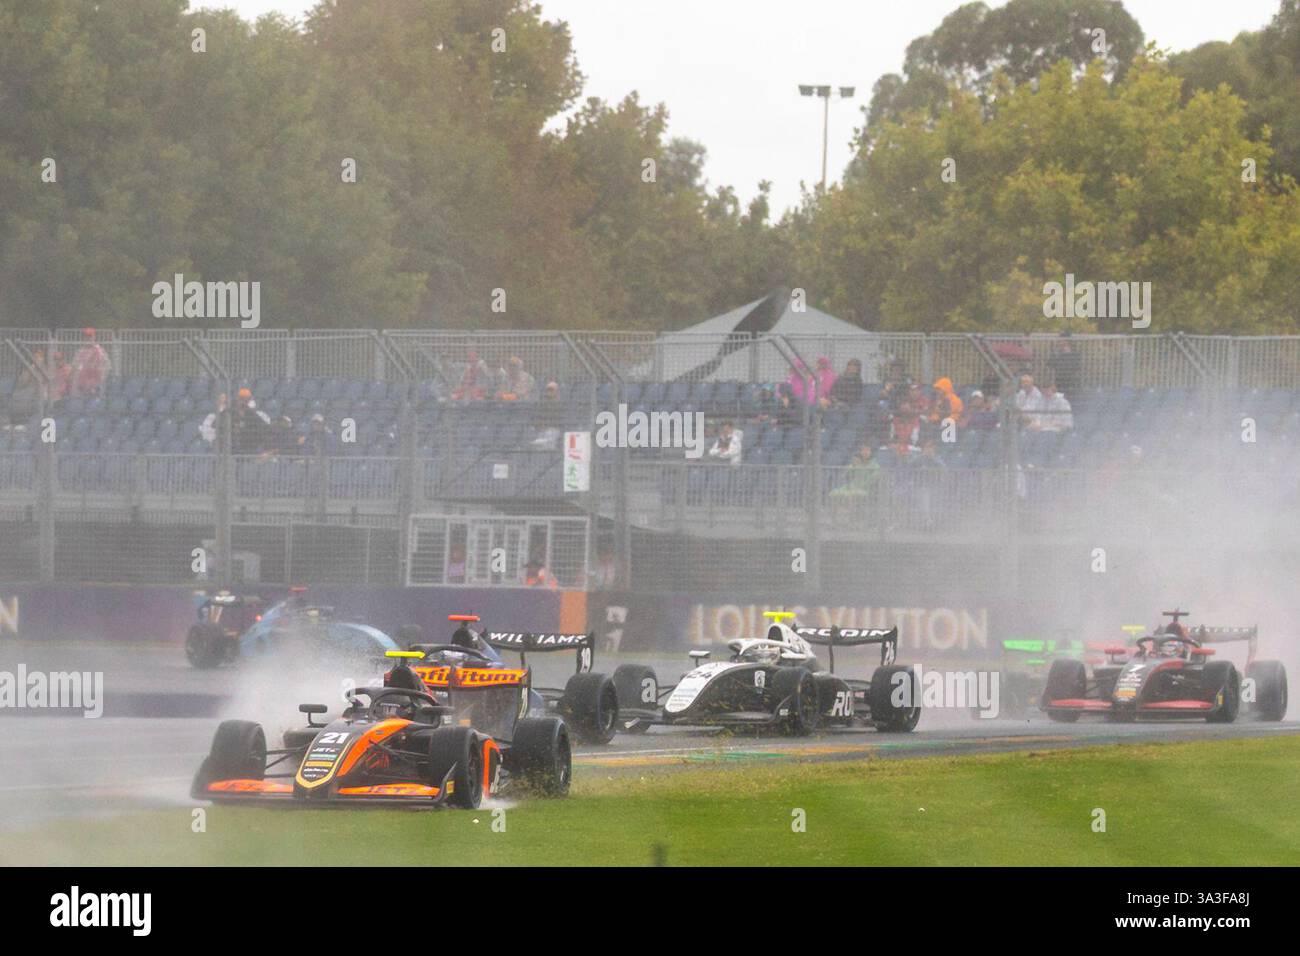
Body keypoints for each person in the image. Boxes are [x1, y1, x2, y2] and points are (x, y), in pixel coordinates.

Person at [71, 328, 111, 397]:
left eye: (90, 336)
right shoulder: (81, 351)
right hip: (82, 385)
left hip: (96, 384)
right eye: (86, 336)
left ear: (94, 337)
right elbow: (75, 366)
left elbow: (107, 365)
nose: (88, 338)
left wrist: (102, 376)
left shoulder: (99, 350)